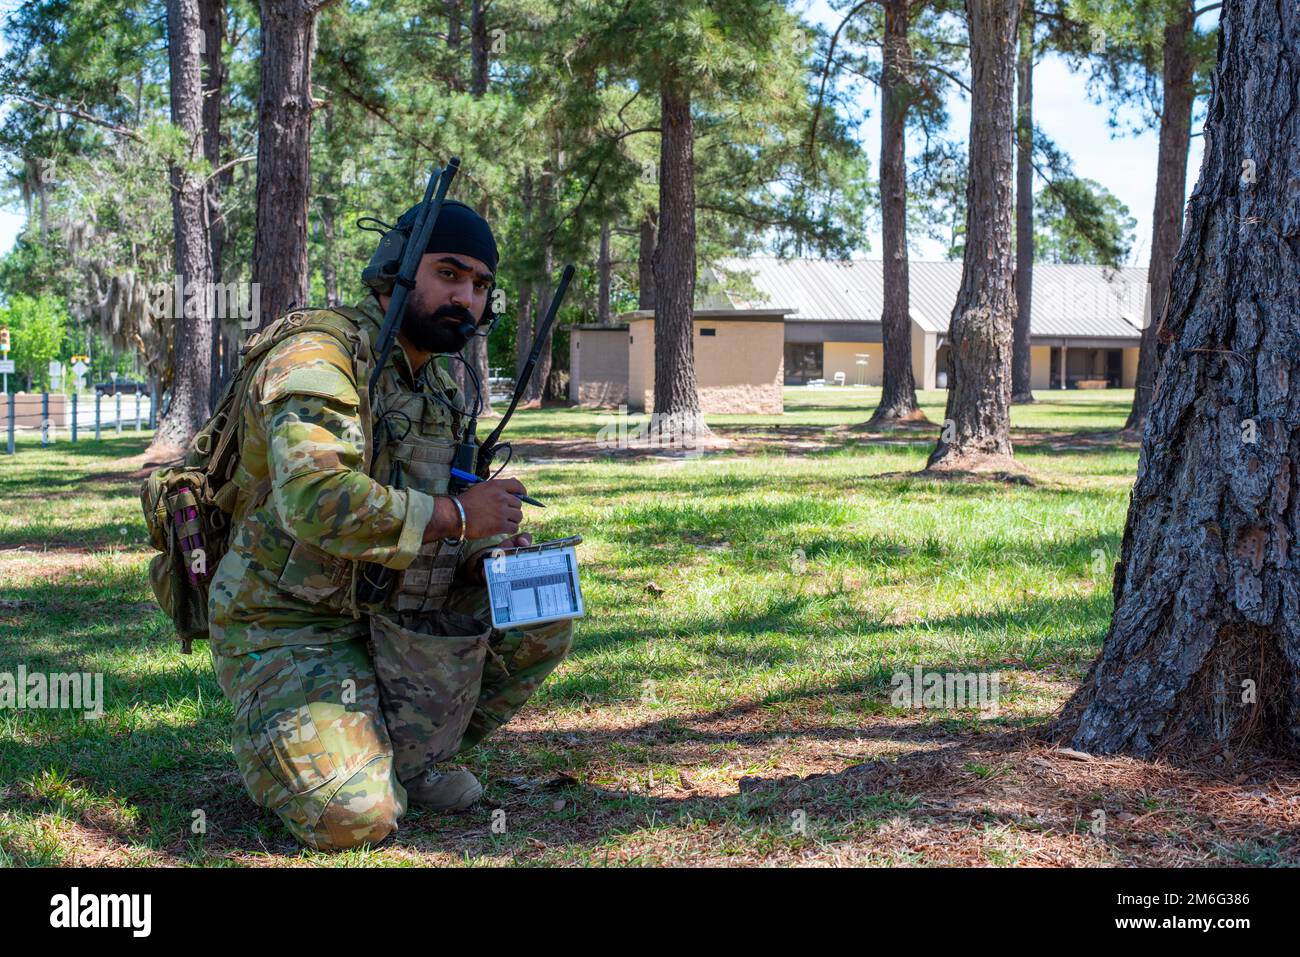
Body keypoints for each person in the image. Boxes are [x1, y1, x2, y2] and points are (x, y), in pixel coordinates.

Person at [206, 200, 574, 850]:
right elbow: (316, 498)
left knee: (537, 602)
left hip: (389, 610)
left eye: (481, 285)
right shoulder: (318, 353)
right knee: (355, 819)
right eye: (450, 274)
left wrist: (485, 546)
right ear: (397, 270)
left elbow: (440, 508)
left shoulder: (438, 386)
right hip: (290, 620)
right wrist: (458, 515)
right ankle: (289, 744)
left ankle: (412, 755)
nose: (466, 297)